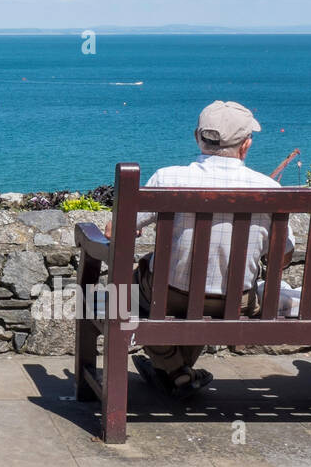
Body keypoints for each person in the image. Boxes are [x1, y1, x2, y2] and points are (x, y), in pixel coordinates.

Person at [116, 100, 294, 398]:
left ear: (198, 137)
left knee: (125, 292)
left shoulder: (168, 178)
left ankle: (173, 369)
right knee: (203, 292)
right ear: (246, 145)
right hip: (237, 302)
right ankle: (178, 371)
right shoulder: (269, 189)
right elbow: (282, 257)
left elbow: (119, 231)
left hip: (170, 296)